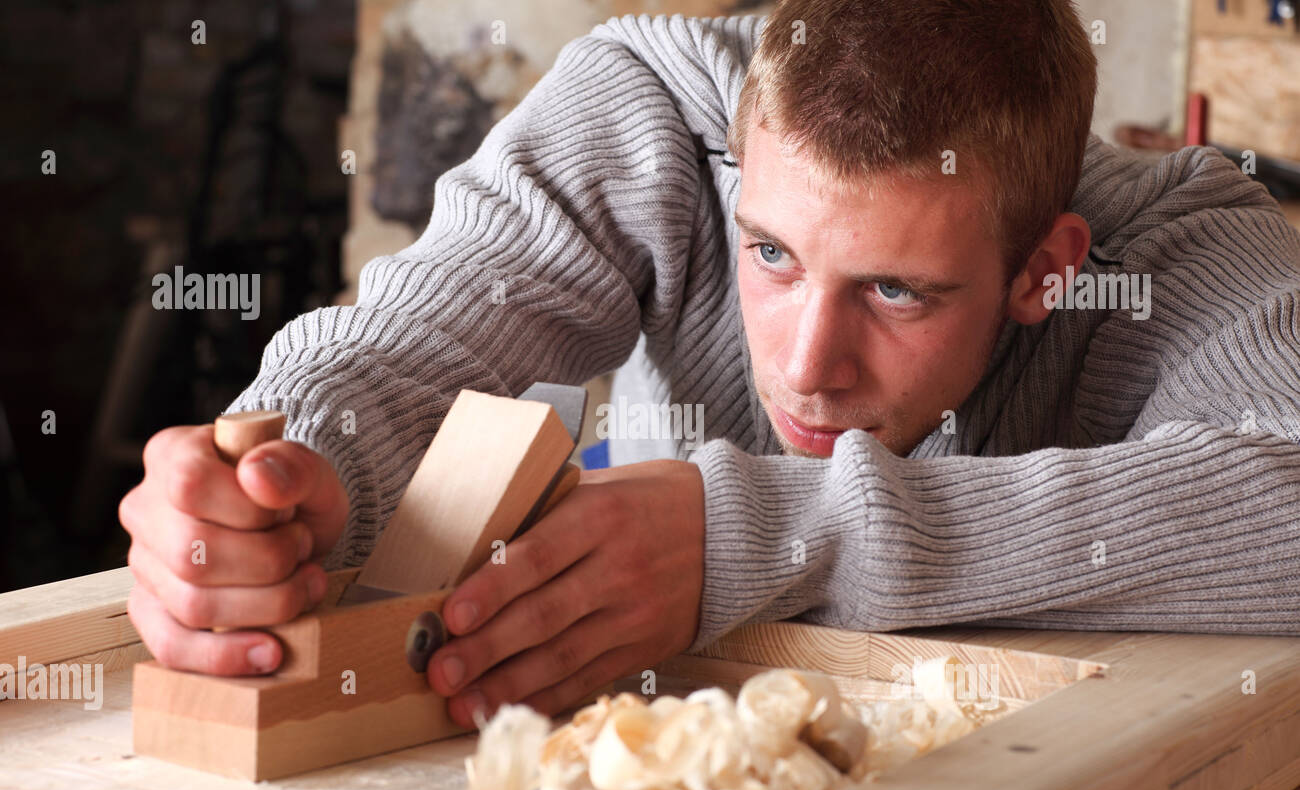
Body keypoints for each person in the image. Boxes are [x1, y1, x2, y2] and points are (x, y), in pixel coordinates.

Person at [118, 0, 1300, 731]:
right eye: (771, 254)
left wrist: (761, 534)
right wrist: (297, 463)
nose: (803, 365)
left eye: (895, 290)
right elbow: (418, 334)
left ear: (1047, 267)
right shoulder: (644, 108)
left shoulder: (1183, 236)